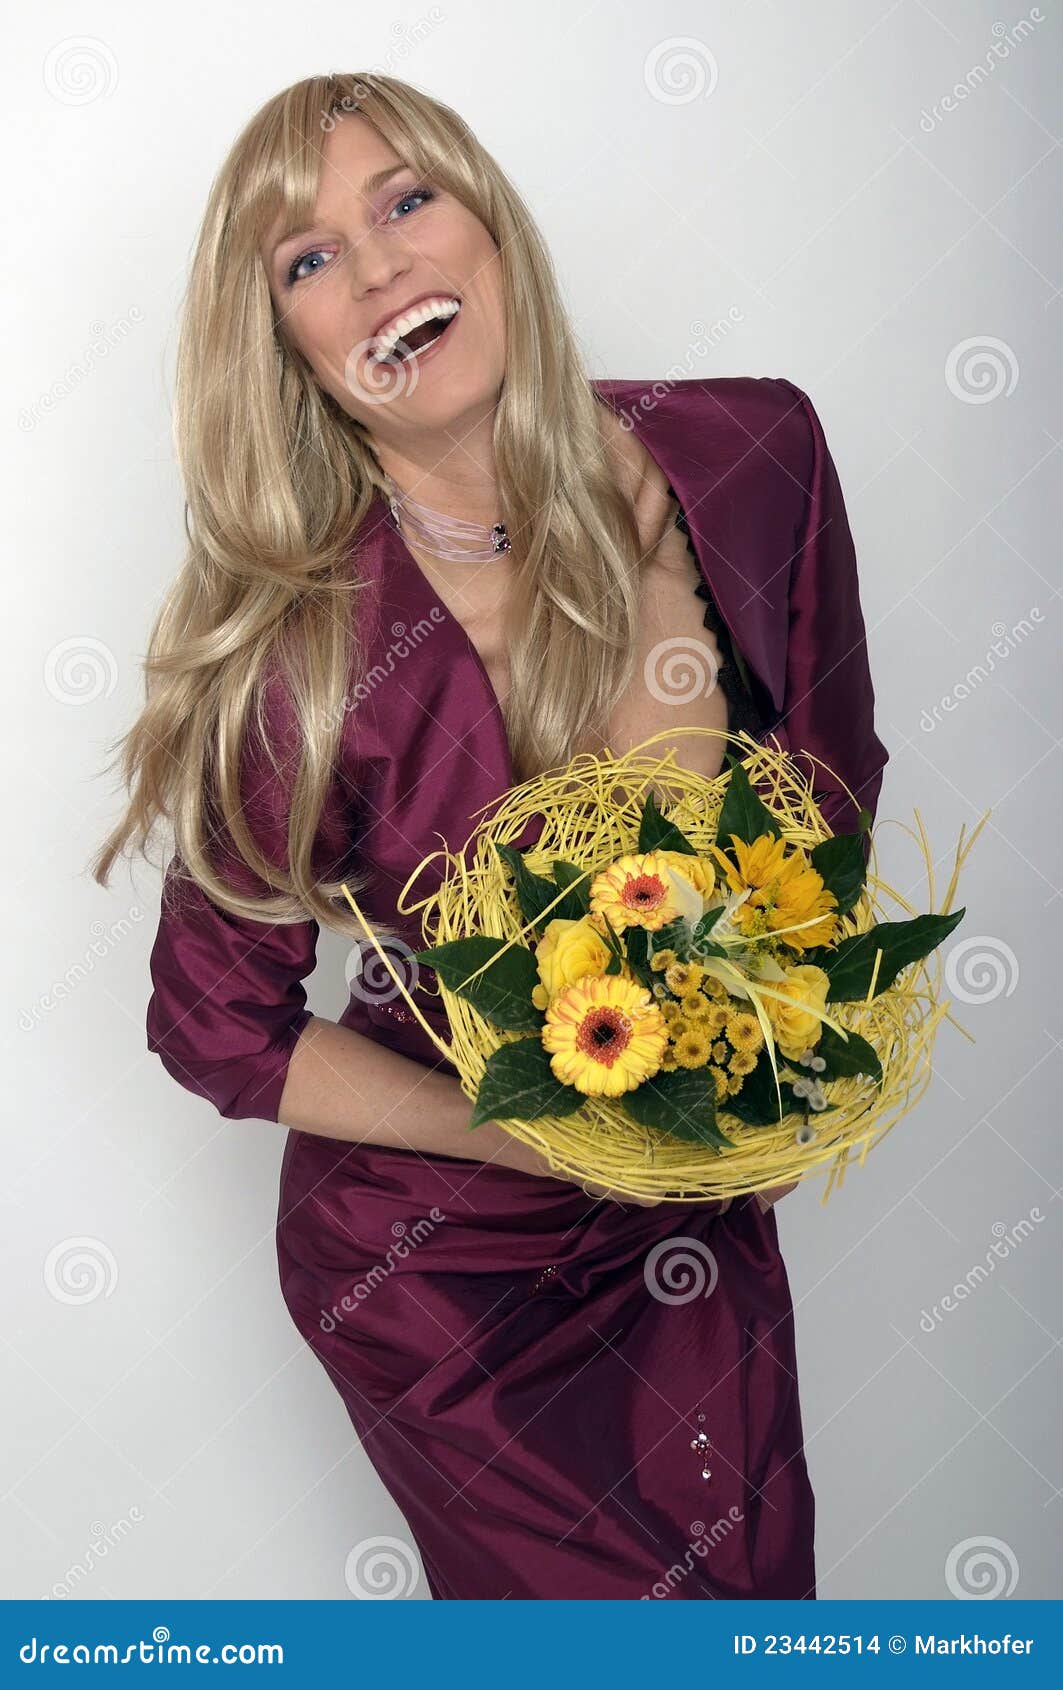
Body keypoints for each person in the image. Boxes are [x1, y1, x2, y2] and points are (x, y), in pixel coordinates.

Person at [93, 71, 888, 1600]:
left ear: (490, 228)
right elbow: (216, 1030)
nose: (381, 264)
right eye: (309, 260)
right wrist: (543, 1131)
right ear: (295, 357)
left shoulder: (752, 454)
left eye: (407, 200)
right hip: (444, 1273)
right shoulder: (301, 660)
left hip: (695, 1215)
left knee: (750, 1616)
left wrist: (789, 1067)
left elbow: (828, 787)